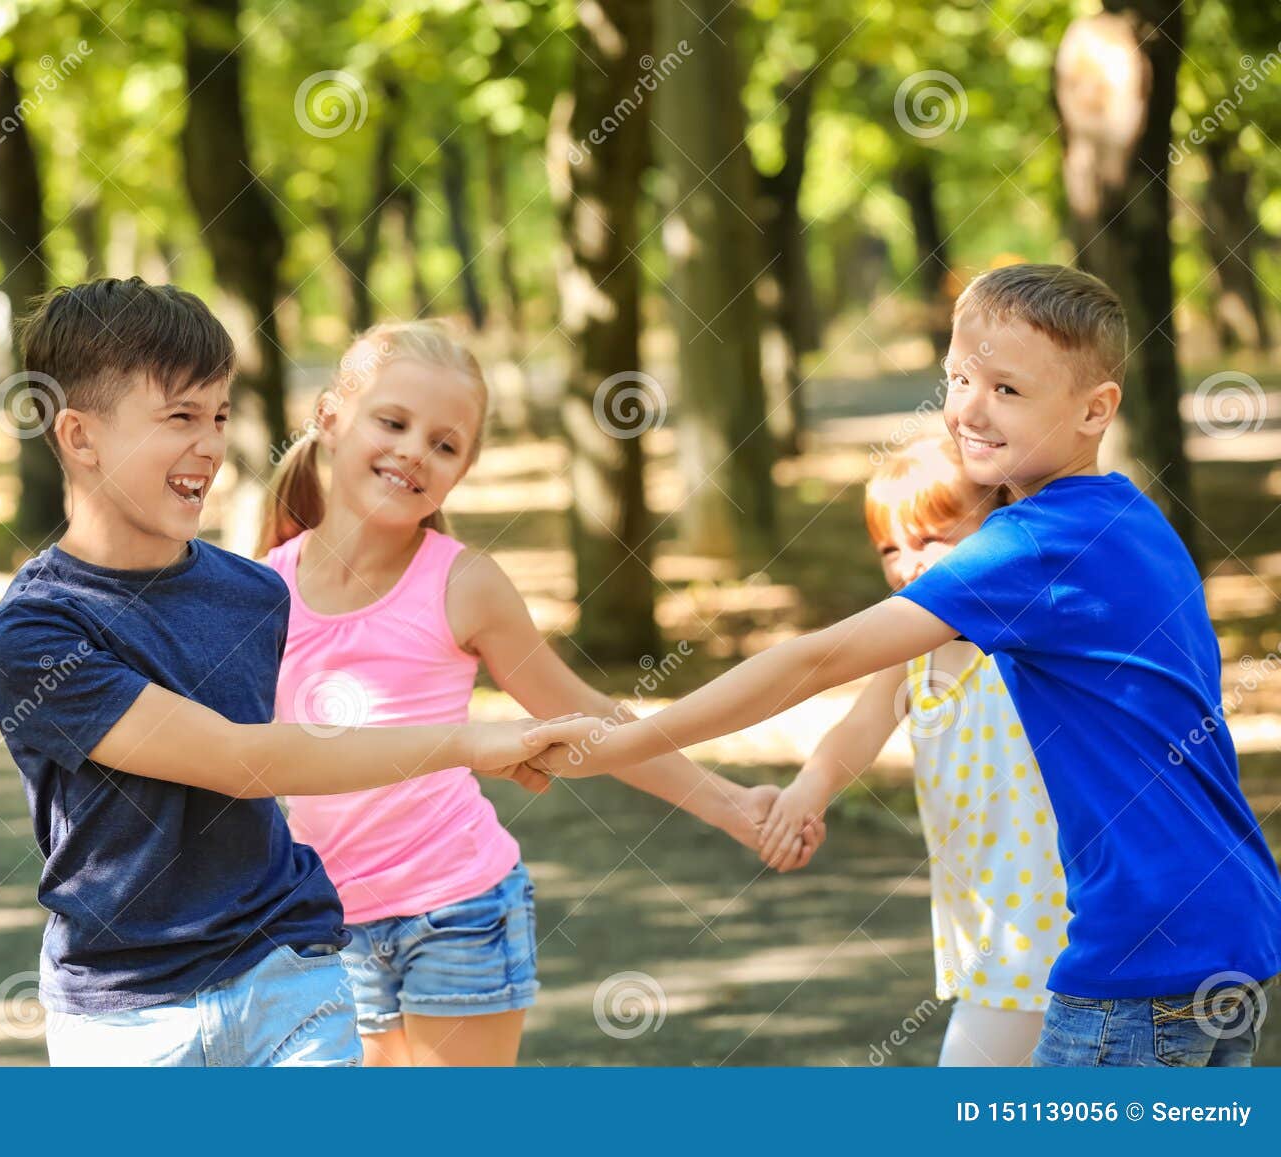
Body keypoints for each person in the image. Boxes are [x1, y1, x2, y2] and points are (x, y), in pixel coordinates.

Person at [529, 263, 1281, 1067]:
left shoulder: (1032, 545)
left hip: (1143, 949)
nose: (968, 407)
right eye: (958, 375)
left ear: (1096, 409)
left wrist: (620, 743)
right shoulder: (1128, 513)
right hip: (1223, 922)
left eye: (1007, 389)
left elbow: (818, 659)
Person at [0, 279, 594, 1067]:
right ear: (80, 436)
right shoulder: (36, 632)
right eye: (179, 417)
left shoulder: (254, 595)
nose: (208, 443)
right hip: (128, 1011)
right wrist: (470, 742)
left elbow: (305, 749)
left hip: (290, 973)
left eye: (219, 415)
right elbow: (248, 758)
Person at [258, 320, 822, 1066]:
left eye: (444, 443)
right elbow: (241, 759)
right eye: (392, 421)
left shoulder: (463, 585)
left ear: (462, 469)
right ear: (330, 418)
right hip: (326, 923)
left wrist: (731, 806)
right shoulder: (263, 584)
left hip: (455, 908)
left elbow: (585, 717)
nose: (413, 452)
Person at [765, 433, 1063, 1065]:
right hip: (984, 919)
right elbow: (858, 730)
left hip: (1052, 919)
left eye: (932, 538)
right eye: (889, 549)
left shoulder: (1032, 628)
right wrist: (807, 792)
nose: (908, 566)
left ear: (1001, 522)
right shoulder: (913, 652)